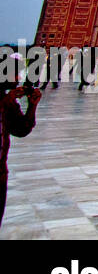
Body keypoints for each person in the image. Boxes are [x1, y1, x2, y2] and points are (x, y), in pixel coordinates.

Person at [0, 80, 40, 229]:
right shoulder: (6, 100)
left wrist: (32, 105)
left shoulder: (6, 100)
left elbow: (21, 129)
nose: (17, 79)